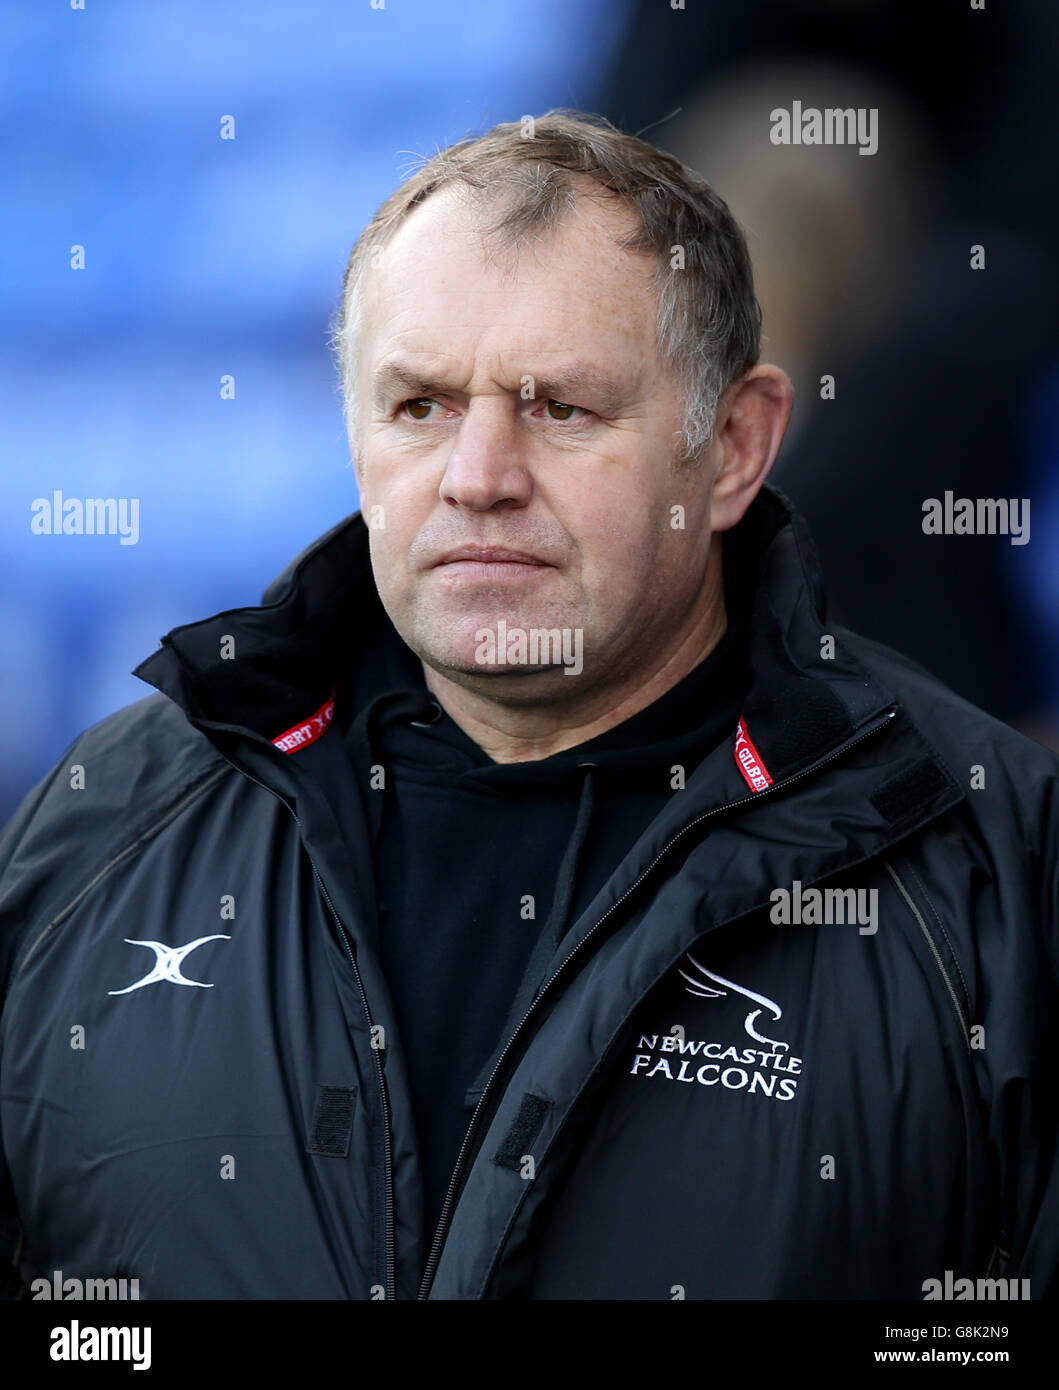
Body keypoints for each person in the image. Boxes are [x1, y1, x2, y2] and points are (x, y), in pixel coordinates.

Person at [1, 110, 1056, 1301]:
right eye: (421, 407)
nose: (478, 477)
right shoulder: (100, 831)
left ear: (734, 447)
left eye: (559, 407)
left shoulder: (995, 868)